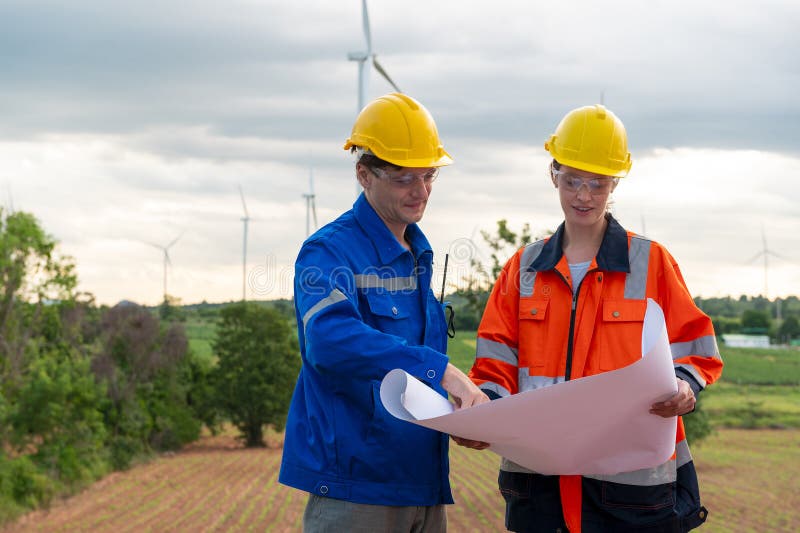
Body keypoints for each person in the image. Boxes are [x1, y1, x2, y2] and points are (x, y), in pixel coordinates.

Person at [465, 104, 724, 532]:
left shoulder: (651, 262)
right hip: (539, 482)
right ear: (554, 175)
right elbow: (495, 367)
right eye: (572, 181)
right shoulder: (522, 269)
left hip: (629, 488)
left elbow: (697, 349)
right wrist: (483, 413)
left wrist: (684, 386)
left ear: (614, 183)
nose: (583, 195)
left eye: (597, 183)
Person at [279, 92, 489, 533]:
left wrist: (460, 414)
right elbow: (330, 341)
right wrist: (444, 371)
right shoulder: (328, 252)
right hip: (357, 493)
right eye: (403, 178)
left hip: (423, 484)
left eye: (428, 176)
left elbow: (410, 383)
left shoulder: (419, 254)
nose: (420, 191)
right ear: (363, 174)